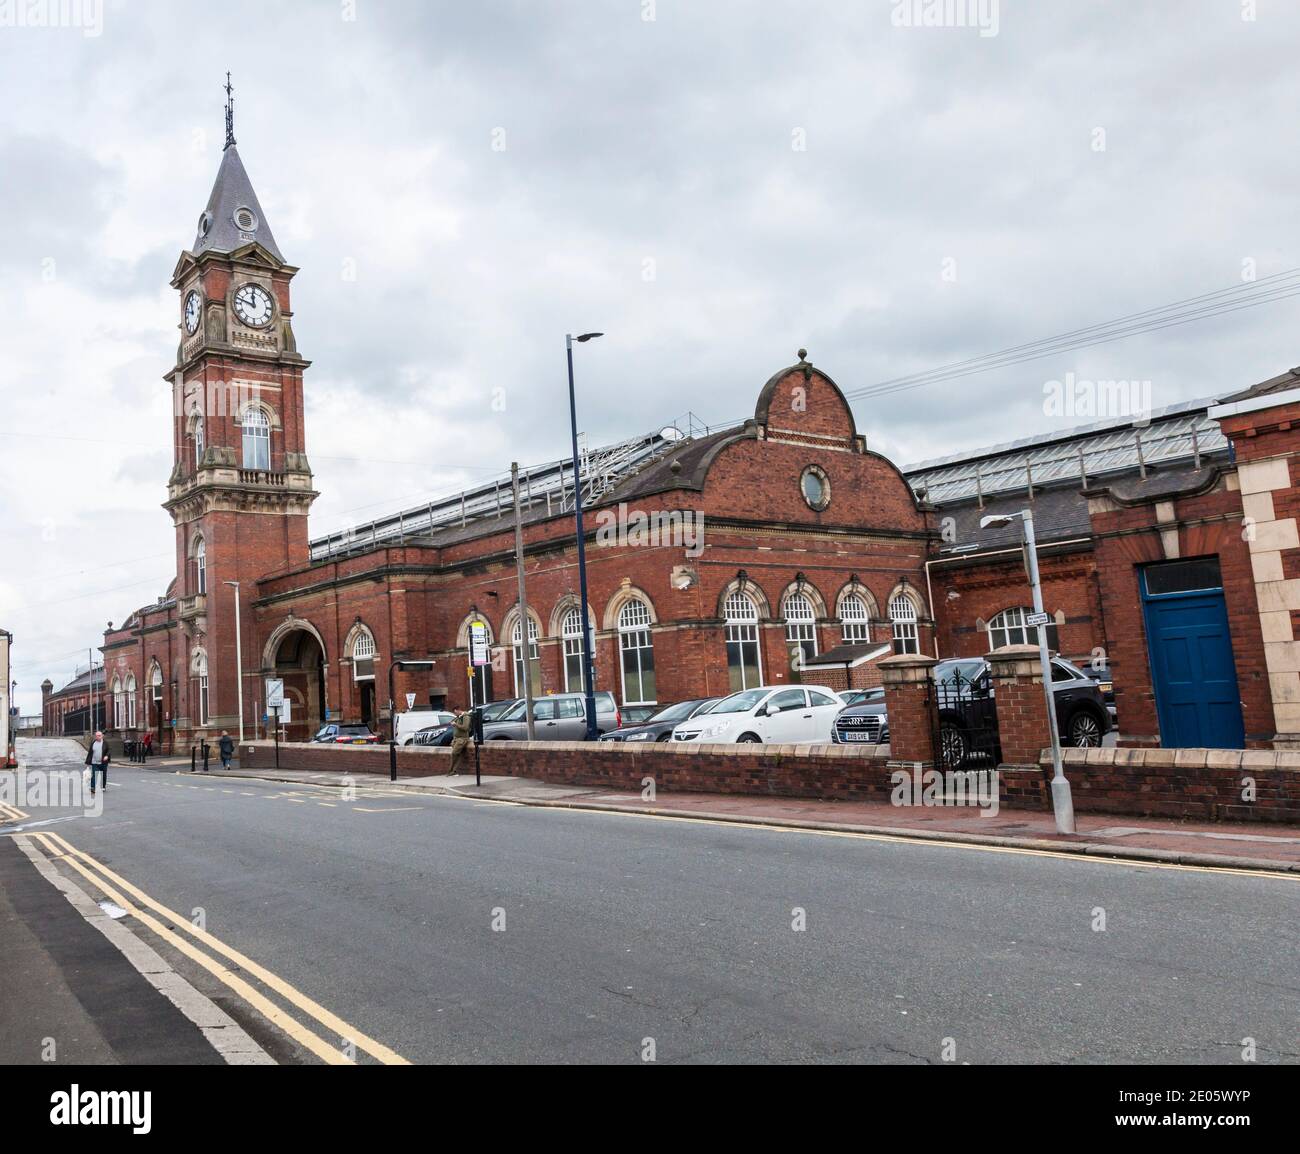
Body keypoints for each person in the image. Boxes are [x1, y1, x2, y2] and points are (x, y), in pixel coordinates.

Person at [85, 730, 110, 797]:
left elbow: (108, 750)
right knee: (94, 775)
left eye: (99, 735)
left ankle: (103, 786)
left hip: (103, 762)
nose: (98, 737)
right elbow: (90, 753)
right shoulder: (93, 743)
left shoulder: (105, 743)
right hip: (94, 762)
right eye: (96, 736)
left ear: (102, 736)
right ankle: (93, 788)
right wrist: (88, 762)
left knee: (103, 774)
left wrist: (106, 756)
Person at [449, 709, 472, 776]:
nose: (454, 714)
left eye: (455, 712)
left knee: (454, 753)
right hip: (456, 739)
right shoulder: (459, 717)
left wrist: (456, 724)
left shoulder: (466, 717)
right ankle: (453, 771)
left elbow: (465, 728)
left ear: (458, 710)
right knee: (457, 755)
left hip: (462, 739)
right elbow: (452, 722)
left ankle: (452, 771)